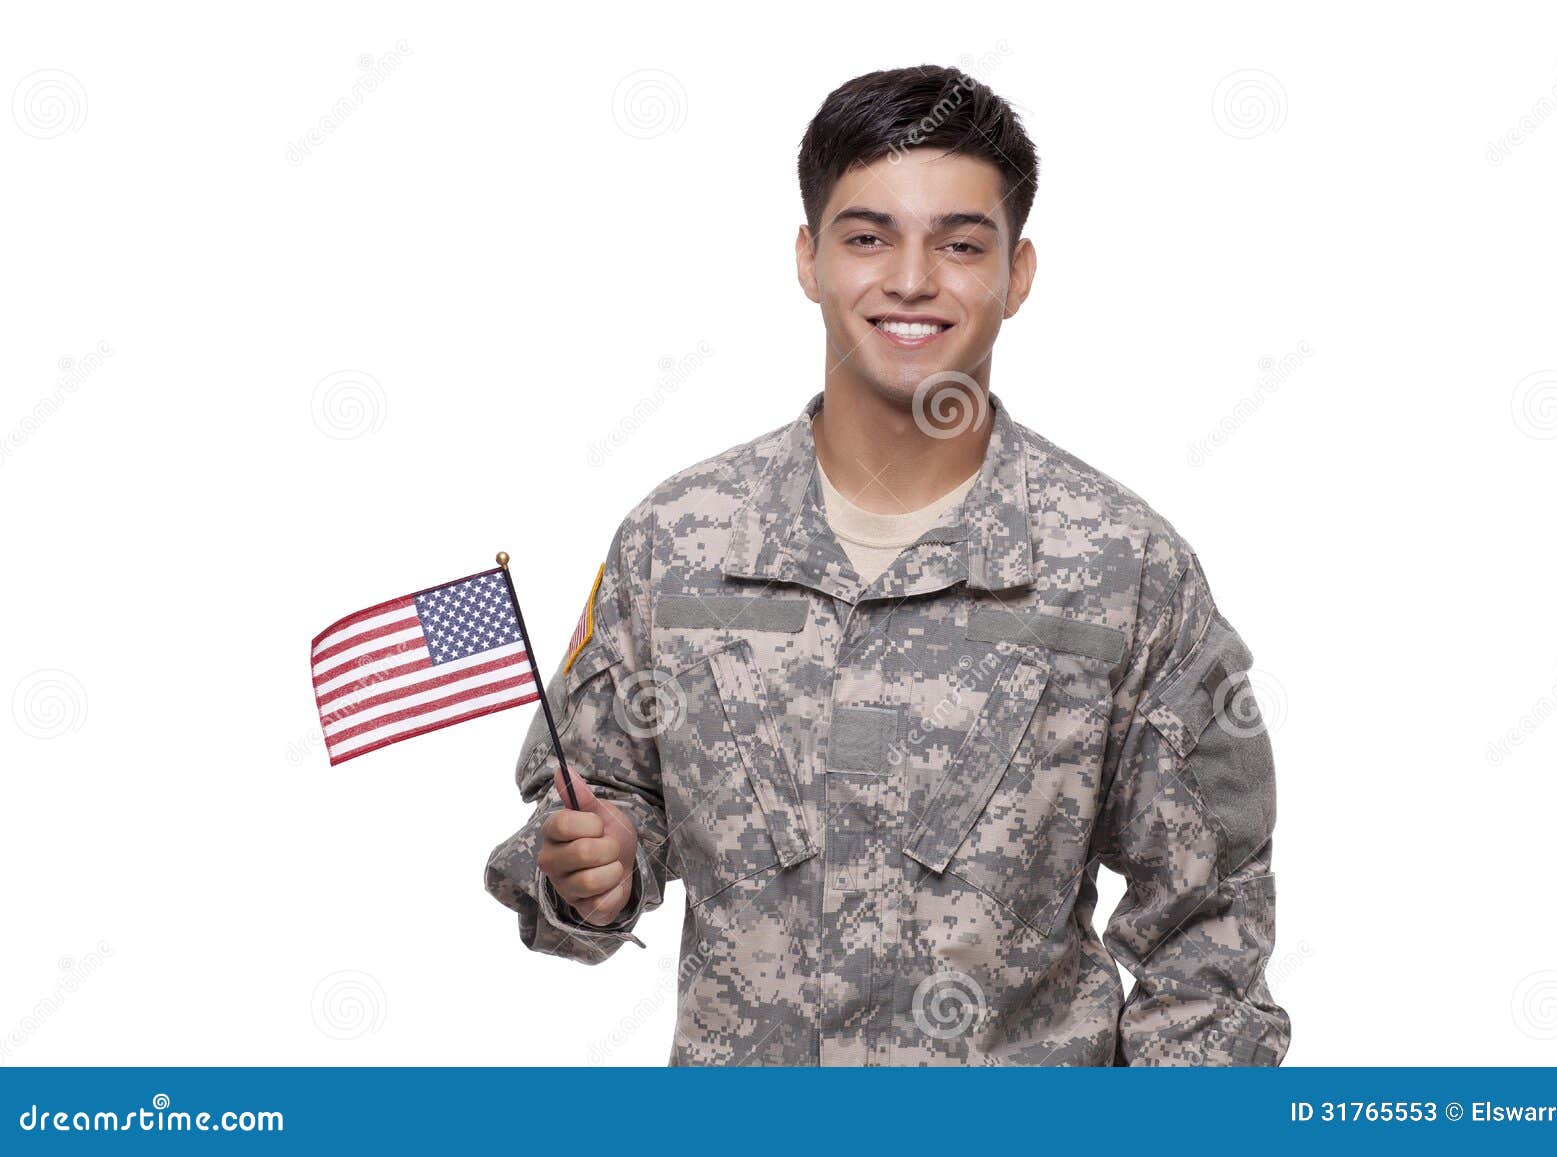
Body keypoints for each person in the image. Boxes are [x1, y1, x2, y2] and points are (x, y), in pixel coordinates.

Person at [485, 64, 1290, 1066]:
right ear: (808, 258)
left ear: (1017, 272)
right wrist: (589, 870)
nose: (911, 279)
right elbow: (591, 806)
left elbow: (1208, 922)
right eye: (867, 237)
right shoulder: (678, 542)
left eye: (959, 244)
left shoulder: (1122, 569)